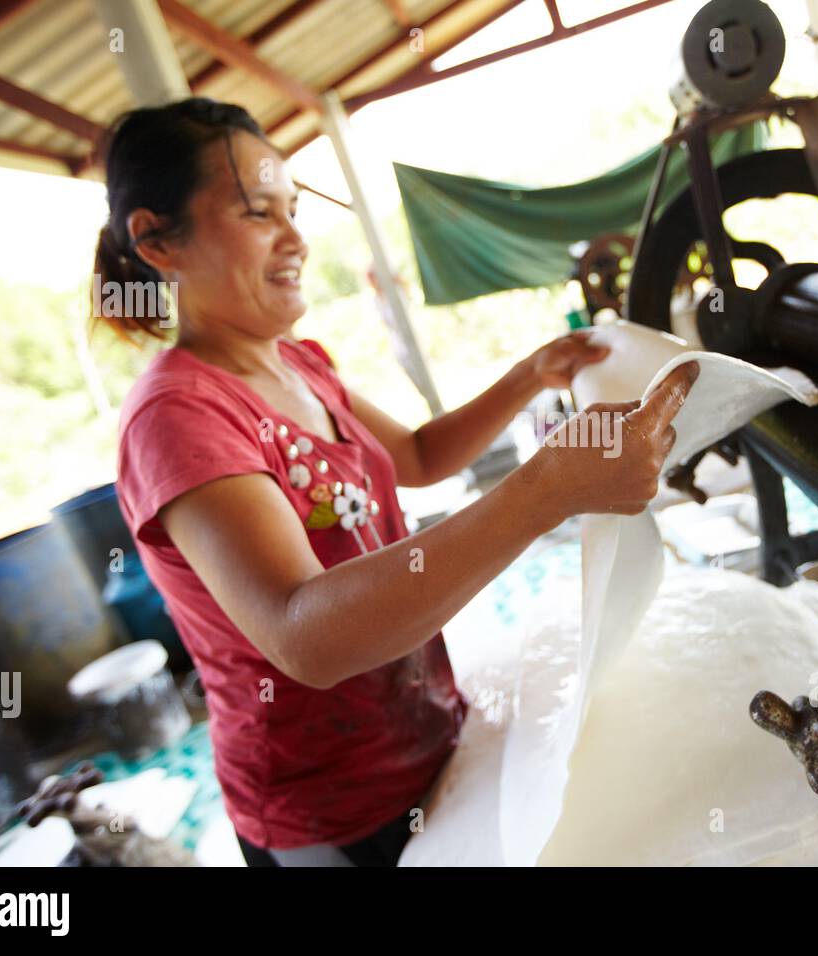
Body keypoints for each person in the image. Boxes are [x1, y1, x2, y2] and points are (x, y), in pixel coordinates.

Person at [97, 98, 696, 866]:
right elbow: (301, 634)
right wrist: (546, 491)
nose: (295, 240)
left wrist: (528, 376)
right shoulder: (178, 415)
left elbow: (415, 456)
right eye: (257, 215)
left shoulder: (299, 363)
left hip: (421, 741)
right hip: (330, 811)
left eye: (292, 211)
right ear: (156, 239)